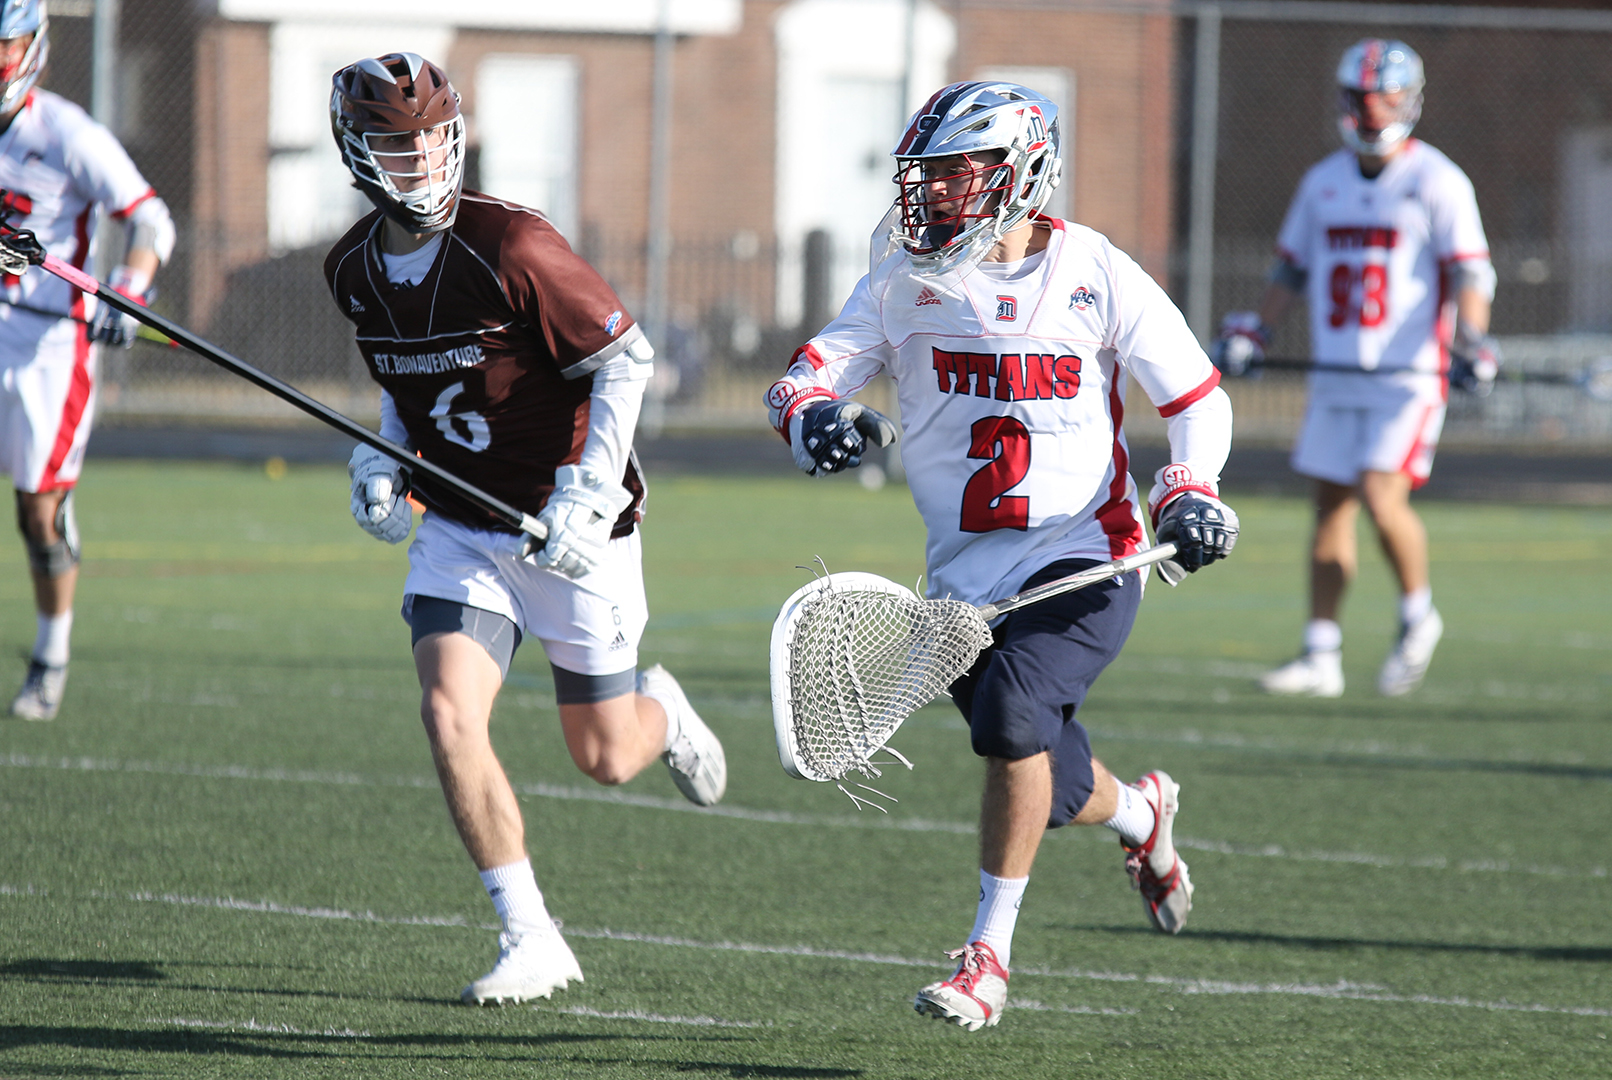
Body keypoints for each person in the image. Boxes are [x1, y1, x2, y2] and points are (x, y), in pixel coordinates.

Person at [764, 81, 1237, 1031]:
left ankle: (988, 957)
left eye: (956, 173)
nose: (933, 194)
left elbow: (1196, 397)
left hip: (1086, 553)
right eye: (925, 176)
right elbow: (804, 377)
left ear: (1020, 174)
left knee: (1014, 713)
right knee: (1043, 775)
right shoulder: (901, 279)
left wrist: (1190, 486)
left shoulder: (1095, 270)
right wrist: (814, 417)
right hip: (964, 587)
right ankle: (1142, 815)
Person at [323, 53, 727, 1004]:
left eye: (434, 141)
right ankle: (530, 935)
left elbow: (626, 360)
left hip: (567, 528)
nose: (424, 163)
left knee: (606, 757)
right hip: (462, 528)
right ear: (358, 152)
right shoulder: (351, 269)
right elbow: (404, 385)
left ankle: (664, 711)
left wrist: (589, 493)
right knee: (448, 712)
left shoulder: (512, 244)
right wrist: (383, 459)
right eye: (399, 146)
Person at [1243, 39, 1496, 700]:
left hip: (1405, 377)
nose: (1373, 110)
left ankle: (1418, 616)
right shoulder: (1322, 182)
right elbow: (1291, 268)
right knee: (1330, 506)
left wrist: (1472, 341)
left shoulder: (1436, 179)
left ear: (1410, 101)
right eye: (1361, 97)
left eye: (1386, 97)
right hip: (1336, 371)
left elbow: (1470, 272)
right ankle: (1321, 653)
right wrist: (1256, 329)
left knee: (1383, 498)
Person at [0, 0, 174, 720]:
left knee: (37, 512)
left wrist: (127, 291)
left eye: (5, 45)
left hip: (47, 350)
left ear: (32, 46)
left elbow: (150, 218)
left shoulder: (66, 134)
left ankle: (51, 655)